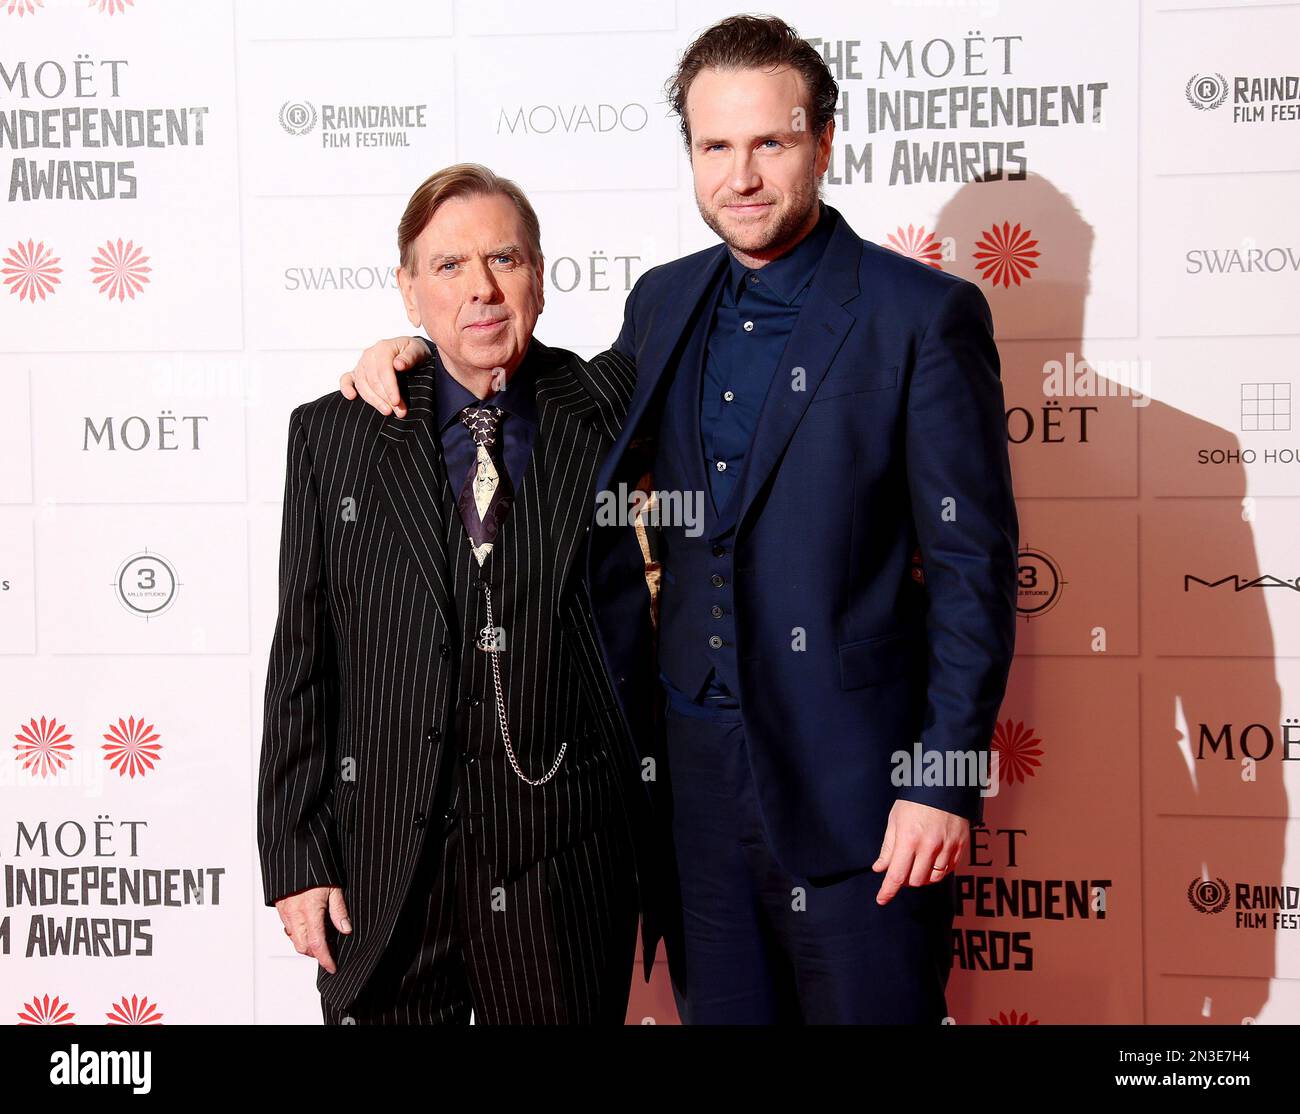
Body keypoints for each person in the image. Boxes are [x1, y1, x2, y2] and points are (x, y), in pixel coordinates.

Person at [341, 15, 1019, 1024]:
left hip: (862, 799)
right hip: (690, 797)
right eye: (714, 146)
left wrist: (942, 783)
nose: (740, 176)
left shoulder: (920, 314)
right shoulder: (664, 301)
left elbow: (975, 573)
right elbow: (547, 410)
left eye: (769, 142)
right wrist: (412, 354)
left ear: (824, 142)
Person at [258, 162, 662, 1025]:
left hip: (562, 866)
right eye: (448, 266)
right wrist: (296, 855)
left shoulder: (608, 409)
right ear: (408, 291)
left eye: (503, 260)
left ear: (539, 277)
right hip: (388, 877)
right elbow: (303, 659)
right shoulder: (334, 434)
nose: (481, 288)